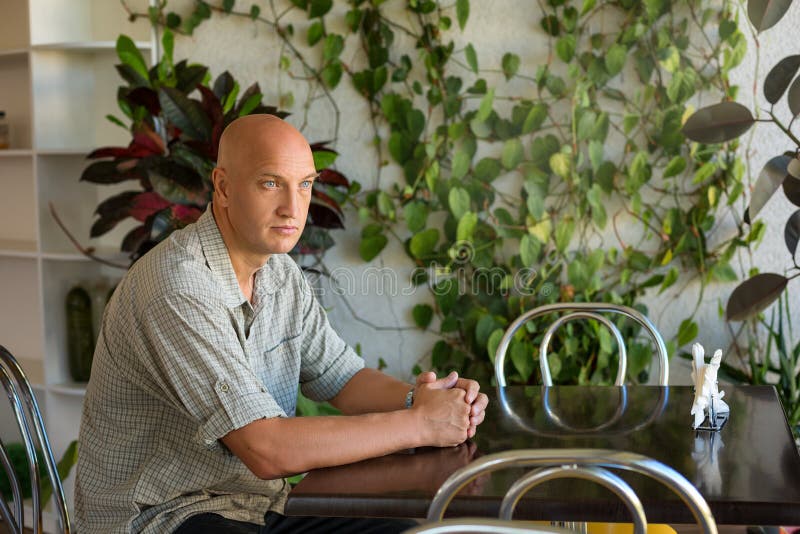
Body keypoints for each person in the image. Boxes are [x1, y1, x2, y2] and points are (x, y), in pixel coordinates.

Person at [74, 114, 489, 534]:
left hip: (255, 504)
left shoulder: (280, 274)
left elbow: (341, 377)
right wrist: (419, 425)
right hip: (160, 517)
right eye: (271, 183)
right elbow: (266, 449)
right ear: (223, 187)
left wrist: (424, 401)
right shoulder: (177, 287)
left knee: (414, 531)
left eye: (305, 184)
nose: (293, 208)